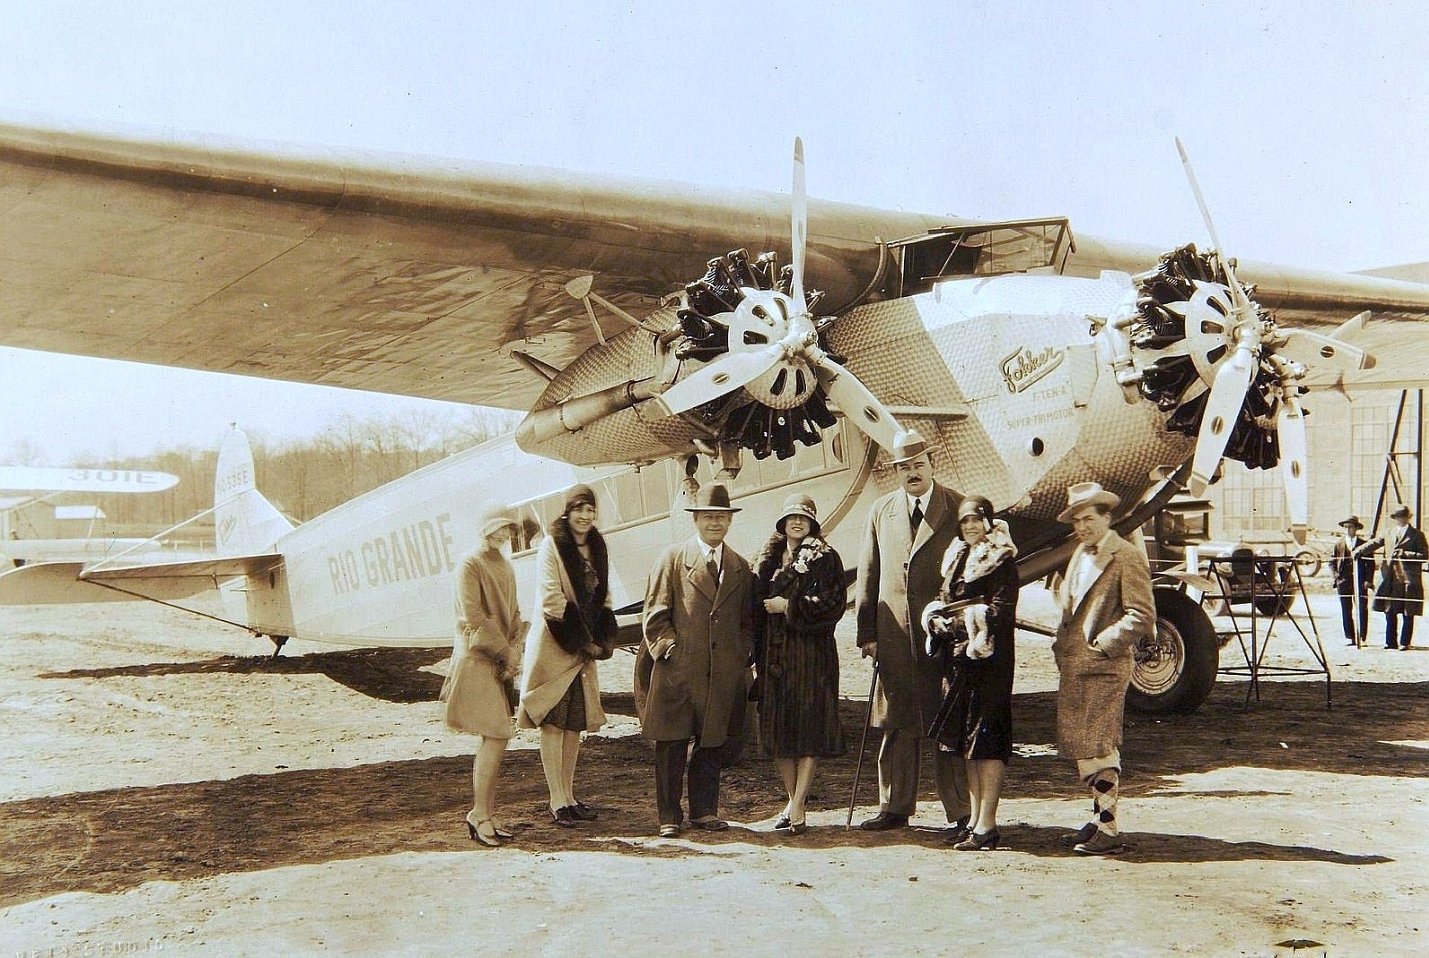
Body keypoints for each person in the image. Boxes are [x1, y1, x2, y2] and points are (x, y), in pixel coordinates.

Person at [853, 429, 971, 834]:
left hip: (945, 636)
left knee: (946, 722)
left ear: (931, 464)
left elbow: (972, 573)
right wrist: (867, 632)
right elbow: (868, 574)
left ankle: (960, 811)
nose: (912, 472)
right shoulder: (880, 510)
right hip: (894, 635)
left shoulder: (957, 507)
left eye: (918, 464)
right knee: (897, 721)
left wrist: (965, 626)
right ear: (896, 471)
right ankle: (894, 807)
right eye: (904, 467)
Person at [641, 483, 755, 838]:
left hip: (720, 674)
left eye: (721, 517)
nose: (715, 524)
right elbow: (655, 614)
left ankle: (705, 811)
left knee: (711, 742)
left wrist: (739, 657)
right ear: (696, 520)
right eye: (708, 517)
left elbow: (746, 622)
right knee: (672, 744)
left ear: (729, 522)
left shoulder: (739, 566)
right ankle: (669, 816)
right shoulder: (673, 559)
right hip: (679, 672)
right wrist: (670, 650)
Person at [1052, 481, 1154, 856]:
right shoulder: (1080, 554)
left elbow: (1141, 615)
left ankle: (1108, 830)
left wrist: (1103, 644)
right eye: (1077, 520)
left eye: (1089, 518)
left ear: (1107, 517)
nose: (1082, 527)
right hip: (1076, 665)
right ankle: (1098, 818)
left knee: (1099, 745)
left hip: (1104, 668)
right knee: (1084, 747)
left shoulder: (1125, 556)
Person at [517, 484, 617, 827]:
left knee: (575, 725)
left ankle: (570, 796)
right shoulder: (551, 545)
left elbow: (604, 594)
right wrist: (582, 640)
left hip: (584, 652)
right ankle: (555, 799)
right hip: (557, 646)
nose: (586, 517)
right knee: (554, 723)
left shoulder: (597, 547)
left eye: (591, 510)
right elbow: (551, 600)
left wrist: (603, 637)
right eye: (580, 509)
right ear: (567, 511)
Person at [922, 496, 1018, 850]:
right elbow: (943, 596)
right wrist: (935, 618)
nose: (970, 527)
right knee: (967, 743)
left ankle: (987, 824)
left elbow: (1002, 610)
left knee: (987, 742)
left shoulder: (1002, 560)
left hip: (989, 663)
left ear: (989, 522)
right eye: (964, 522)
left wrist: (963, 621)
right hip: (959, 662)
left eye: (976, 520)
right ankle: (976, 820)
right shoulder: (957, 557)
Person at [751, 493, 846, 835]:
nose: (796, 522)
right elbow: (752, 606)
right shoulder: (767, 558)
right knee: (777, 732)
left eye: (803, 518)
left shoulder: (826, 558)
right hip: (774, 656)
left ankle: (799, 805)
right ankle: (794, 801)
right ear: (782, 523)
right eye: (791, 517)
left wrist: (788, 607)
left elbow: (833, 603)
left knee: (808, 731)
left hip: (811, 655)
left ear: (813, 524)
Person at [439, 504, 526, 847]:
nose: (505, 534)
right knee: (496, 734)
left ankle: (485, 814)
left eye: (508, 528)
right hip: (478, 658)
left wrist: (515, 648)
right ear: (485, 528)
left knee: (497, 736)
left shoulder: (504, 563)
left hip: (499, 660)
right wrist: (506, 651)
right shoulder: (469, 562)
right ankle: (478, 813)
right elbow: (473, 615)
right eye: (500, 528)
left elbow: (515, 612)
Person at [1365, 505, 1427, 650]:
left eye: (1403, 516)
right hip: (1391, 579)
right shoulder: (1388, 533)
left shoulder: (1417, 535)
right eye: (1397, 517)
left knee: (1408, 611)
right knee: (1390, 610)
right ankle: (1390, 642)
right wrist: (1358, 551)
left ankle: (1405, 642)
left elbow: (1425, 555)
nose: (1400, 519)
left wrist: (1406, 554)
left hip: (1408, 579)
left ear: (1407, 518)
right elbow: (1374, 543)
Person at [1330, 515, 1374, 647]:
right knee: (1346, 609)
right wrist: (1336, 577)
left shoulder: (1364, 545)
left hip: (1360, 581)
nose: (1348, 529)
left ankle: (1362, 637)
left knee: (1362, 608)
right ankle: (1349, 637)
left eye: (1351, 527)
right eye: (1346, 527)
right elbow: (1332, 562)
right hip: (1344, 581)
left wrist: (1368, 580)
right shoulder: (1339, 544)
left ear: (1356, 528)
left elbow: (1371, 564)